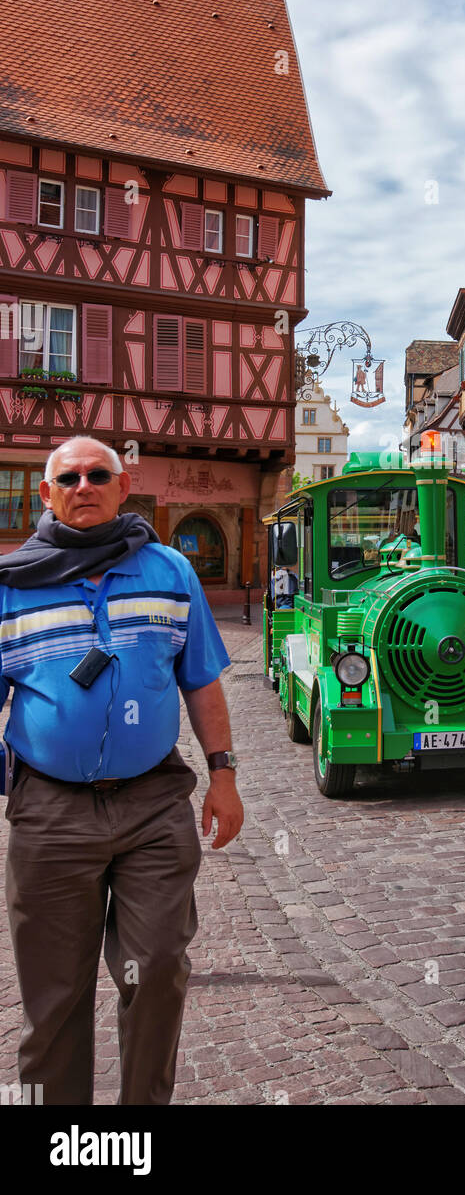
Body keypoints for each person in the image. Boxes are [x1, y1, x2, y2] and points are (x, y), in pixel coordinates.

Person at [0, 434, 243, 1106]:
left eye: (98, 474)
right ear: (46, 493)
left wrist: (223, 774)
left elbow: (202, 682)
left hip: (153, 806)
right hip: (51, 813)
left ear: (122, 485)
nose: (84, 485)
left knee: (158, 970)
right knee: (54, 998)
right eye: (69, 477)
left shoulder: (169, 571)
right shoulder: (11, 586)